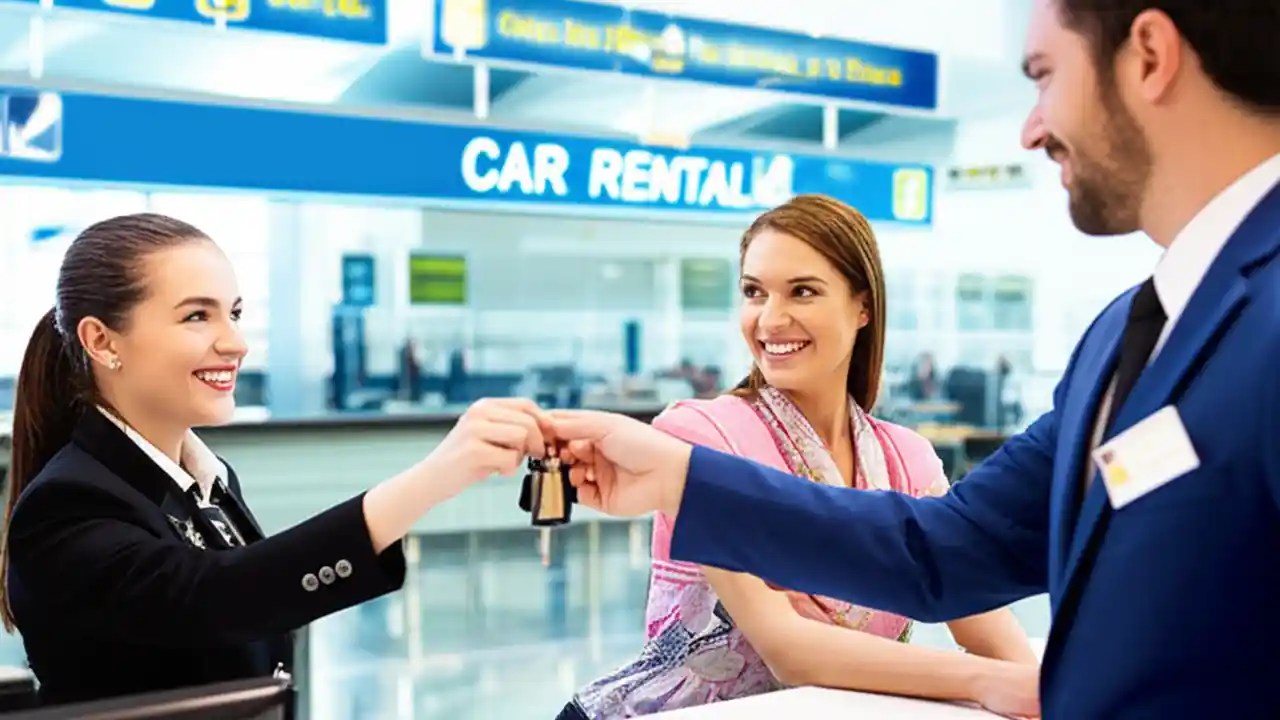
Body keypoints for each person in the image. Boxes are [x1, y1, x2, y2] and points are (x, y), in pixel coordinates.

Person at [546, 2, 1280, 718]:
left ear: (1149, 55)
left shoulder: (1247, 321)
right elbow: (943, 550)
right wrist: (680, 477)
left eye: (1044, 74)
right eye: (754, 292)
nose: (1028, 130)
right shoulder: (1126, 339)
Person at [0, 213, 551, 705]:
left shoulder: (207, 483)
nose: (234, 342)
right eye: (197, 316)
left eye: (234, 313)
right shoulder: (65, 505)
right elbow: (220, 597)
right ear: (101, 341)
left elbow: (261, 606)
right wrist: (435, 478)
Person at [559, 196, 1039, 719]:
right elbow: (788, 649)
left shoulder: (908, 460)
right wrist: (986, 680)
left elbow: (984, 623)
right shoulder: (699, 438)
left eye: (802, 291)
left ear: (863, 307)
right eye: (753, 292)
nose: (770, 318)